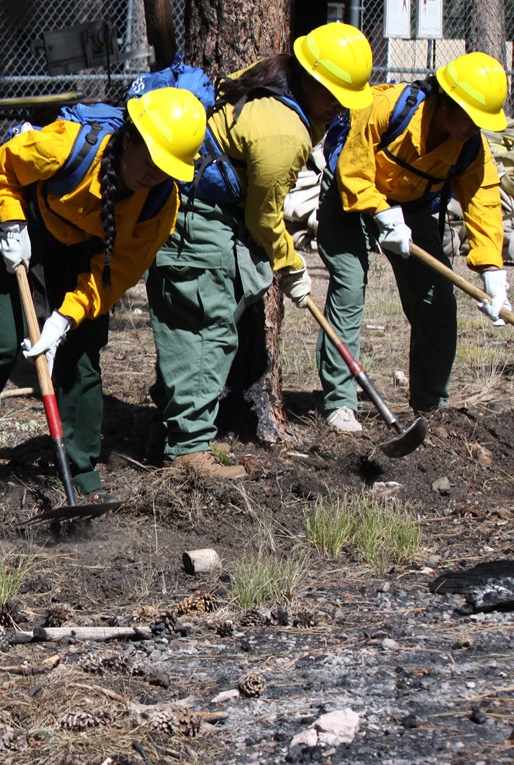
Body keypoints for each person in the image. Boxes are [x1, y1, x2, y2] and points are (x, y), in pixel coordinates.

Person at [0, 87, 207, 500]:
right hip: (23, 237)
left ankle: (80, 474)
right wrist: (11, 222)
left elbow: (119, 271)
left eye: (167, 168)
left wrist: (65, 318)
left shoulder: (160, 205)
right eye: (152, 159)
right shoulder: (66, 146)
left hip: (88, 259)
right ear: (130, 138)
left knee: (81, 359)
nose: (155, 174)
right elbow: (0, 168)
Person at [146, 22, 374, 478]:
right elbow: (263, 218)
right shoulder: (284, 132)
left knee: (194, 329)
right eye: (334, 96)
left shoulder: (273, 81)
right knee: (208, 331)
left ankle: (174, 429)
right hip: (199, 221)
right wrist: (291, 264)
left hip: (195, 210)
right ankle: (188, 450)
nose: (338, 107)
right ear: (310, 79)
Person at [316, 51, 509, 432]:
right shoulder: (388, 108)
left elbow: (483, 201)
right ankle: (340, 402)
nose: (475, 127)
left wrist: (492, 271)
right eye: (471, 117)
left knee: (437, 301)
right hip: (350, 196)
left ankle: (430, 404)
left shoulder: (470, 147)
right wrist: (382, 215)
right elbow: (353, 167)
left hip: (411, 208)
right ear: (447, 102)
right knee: (349, 288)